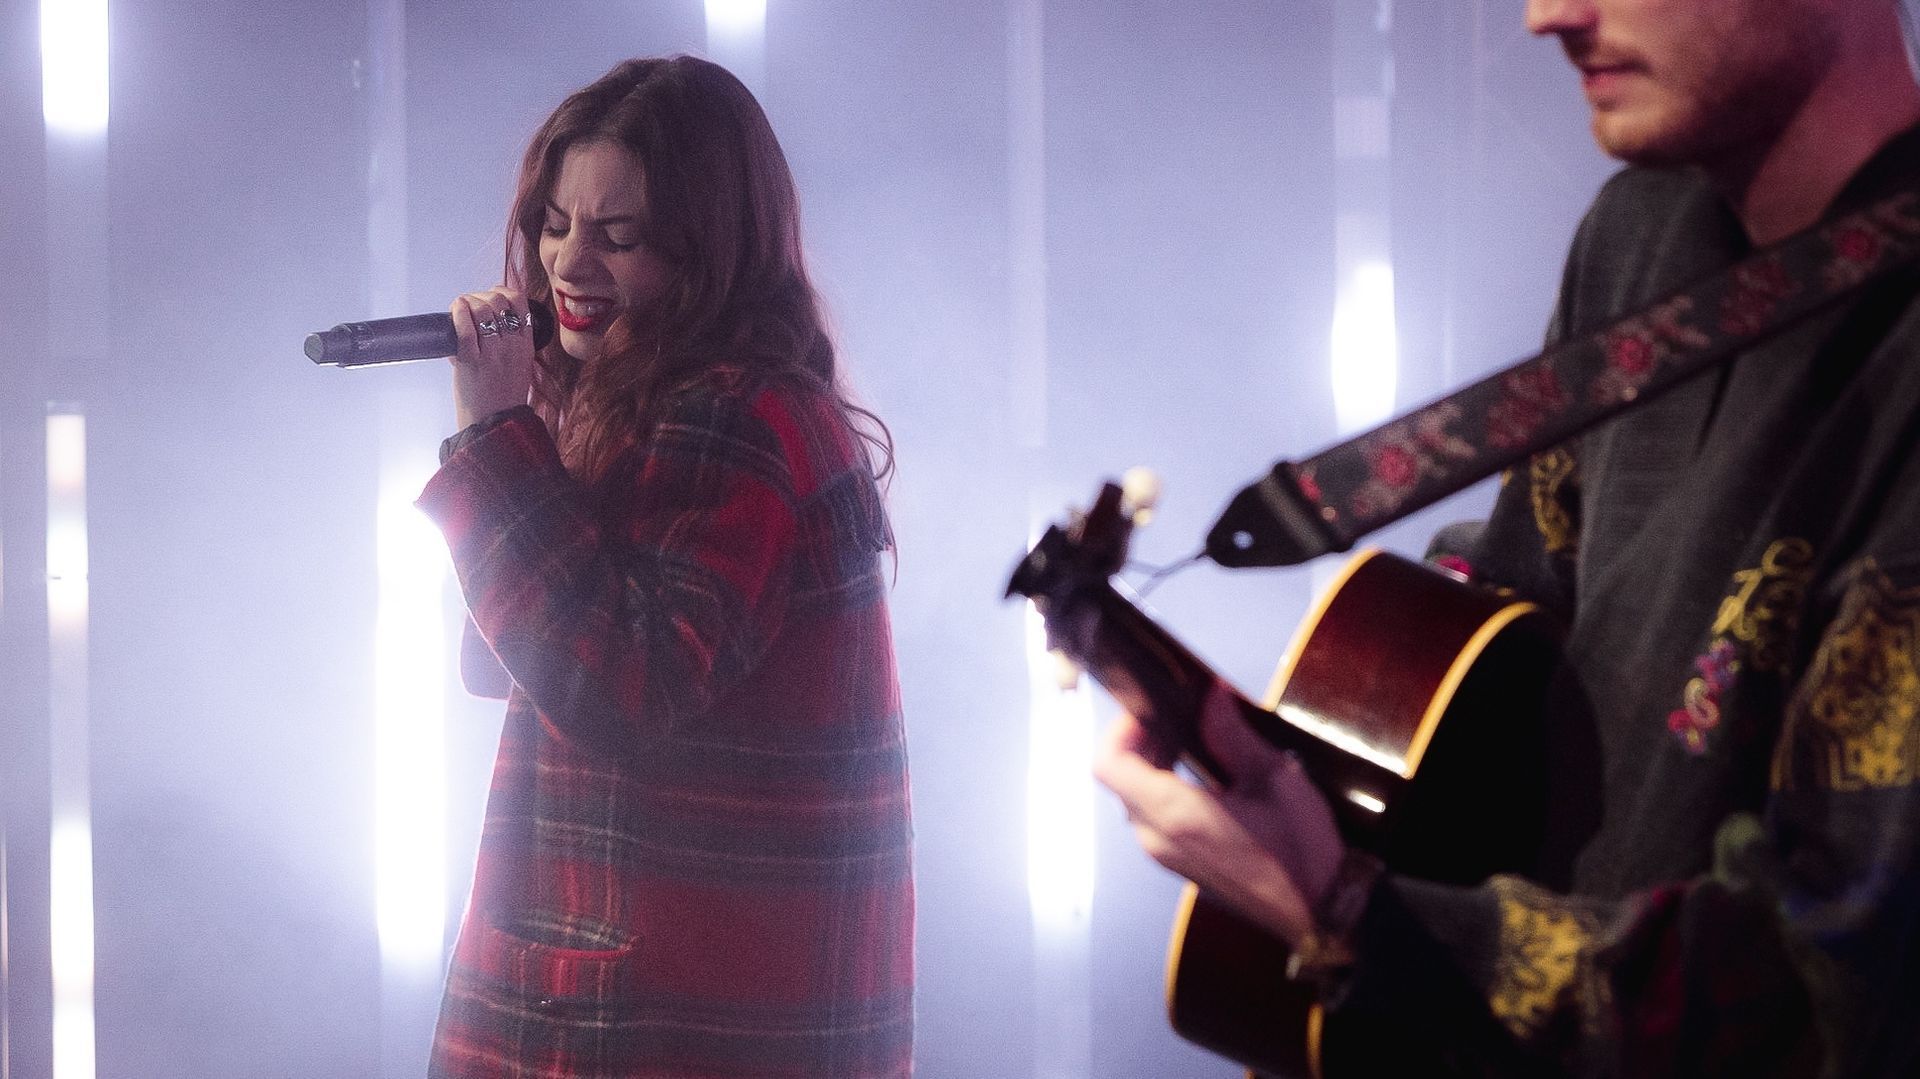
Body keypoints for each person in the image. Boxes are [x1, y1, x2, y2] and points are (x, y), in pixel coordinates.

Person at [1097, 0, 1920, 1074]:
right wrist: (1297, 768)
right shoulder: (1640, 234)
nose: (1546, 15)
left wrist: (1346, 907)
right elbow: (1507, 626)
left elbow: (1814, 993)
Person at [415, 56, 913, 1078]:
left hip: (665, 1017)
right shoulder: (660, 404)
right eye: (555, 224)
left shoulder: (728, 418)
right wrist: (536, 434)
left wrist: (503, 437)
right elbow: (501, 659)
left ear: (710, 249)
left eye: (619, 235)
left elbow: (611, 683)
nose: (569, 263)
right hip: (682, 1003)